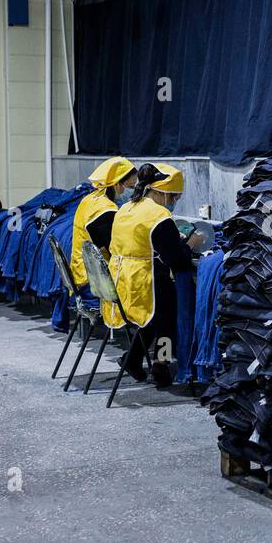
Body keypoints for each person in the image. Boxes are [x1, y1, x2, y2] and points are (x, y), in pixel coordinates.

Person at [102, 163, 203, 387]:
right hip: (144, 287)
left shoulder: (125, 208)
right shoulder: (159, 216)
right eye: (173, 197)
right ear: (160, 192)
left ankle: (134, 358)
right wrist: (190, 244)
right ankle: (161, 362)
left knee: (159, 309)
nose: (174, 202)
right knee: (169, 310)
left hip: (120, 286)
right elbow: (176, 259)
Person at [68, 156, 136, 310]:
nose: (132, 192)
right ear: (117, 183)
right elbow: (114, 250)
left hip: (82, 275)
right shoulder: (104, 210)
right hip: (93, 284)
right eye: (131, 187)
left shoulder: (91, 199)